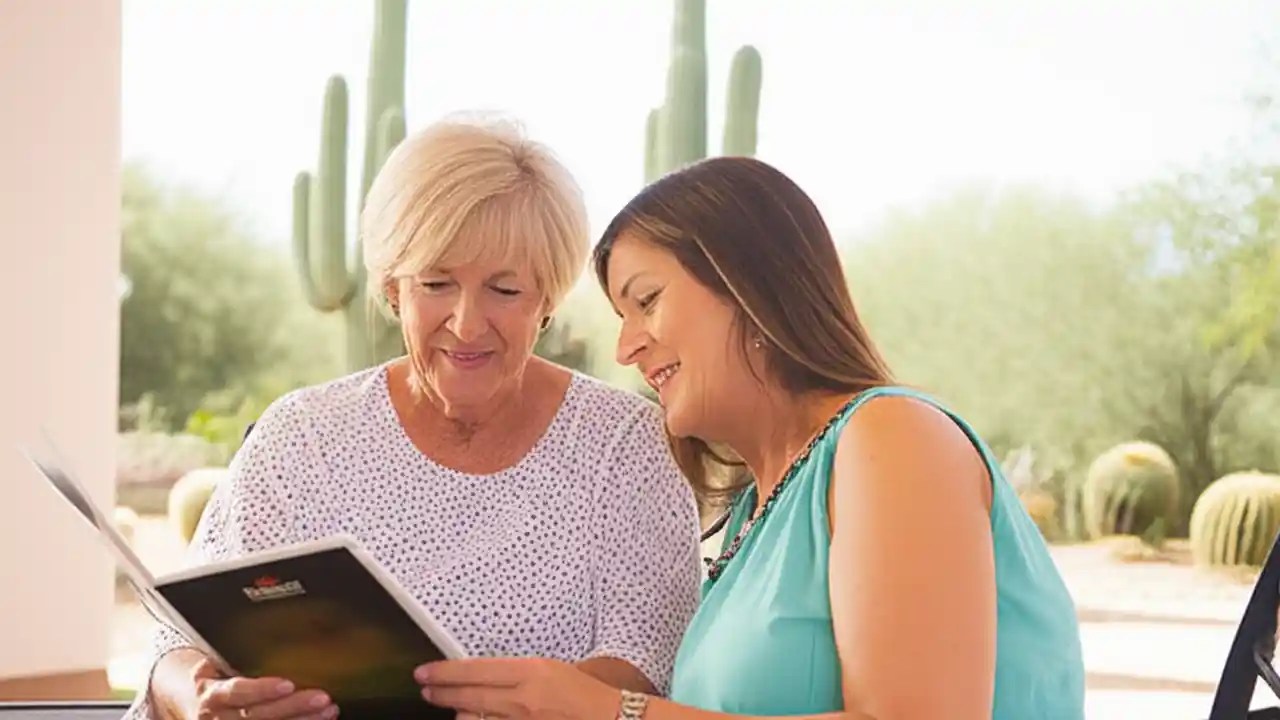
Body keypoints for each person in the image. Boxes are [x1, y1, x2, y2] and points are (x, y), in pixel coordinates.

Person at [411, 156, 1087, 720]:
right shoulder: (752, 519)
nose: (626, 347)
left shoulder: (892, 436)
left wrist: (608, 710)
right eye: (621, 316)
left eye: (646, 301)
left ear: (749, 286)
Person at [123, 116, 703, 720]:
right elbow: (178, 642)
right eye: (435, 283)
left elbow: (644, 664)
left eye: (505, 291)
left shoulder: (624, 443)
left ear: (546, 301)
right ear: (393, 289)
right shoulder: (303, 436)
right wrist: (197, 696)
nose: (467, 323)